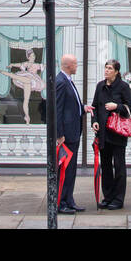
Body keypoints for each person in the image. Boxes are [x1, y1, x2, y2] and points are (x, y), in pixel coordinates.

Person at [90, 59, 131, 210]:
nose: (106, 70)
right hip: (103, 133)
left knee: (119, 166)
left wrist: (117, 106)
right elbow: (94, 107)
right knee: (106, 166)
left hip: (118, 134)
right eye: (106, 68)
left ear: (116, 72)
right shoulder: (100, 86)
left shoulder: (123, 87)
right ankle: (108, 197)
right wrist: (94, 121)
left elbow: (129, 108)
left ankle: (118, 199)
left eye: (110, 68)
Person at [54, 54, 84, 214]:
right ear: (67, 66)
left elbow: (71, 105)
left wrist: (83, 107)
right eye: (75, 63)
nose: (77, 66)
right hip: (66, 134)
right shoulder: (60, 82)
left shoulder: (68, 81)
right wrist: (59, 134)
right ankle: (61, 202)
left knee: (71, 169)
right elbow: (57, 109)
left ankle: (69, 199)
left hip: (74, 132)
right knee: (64, 170)